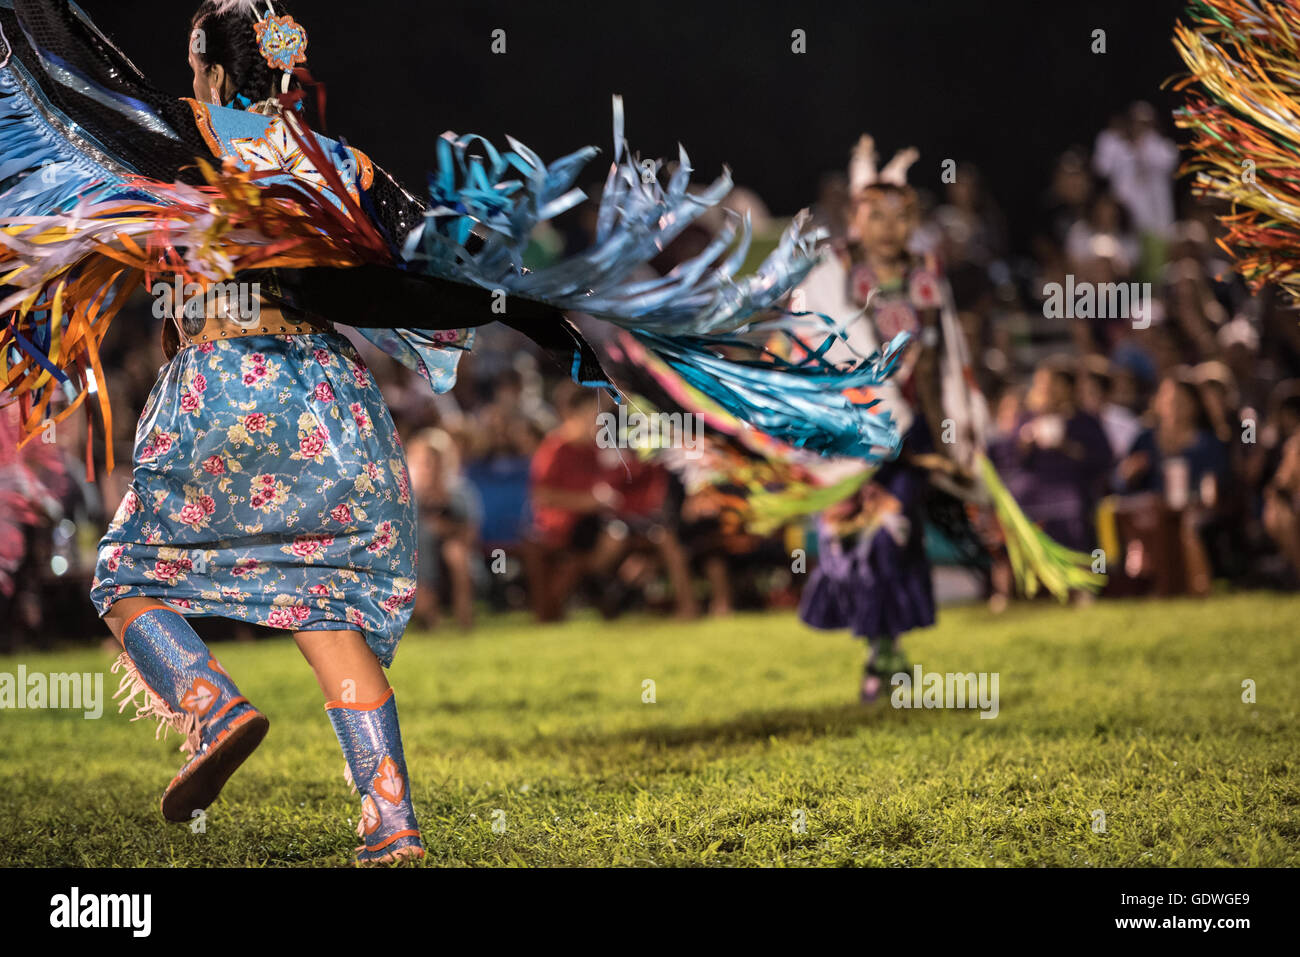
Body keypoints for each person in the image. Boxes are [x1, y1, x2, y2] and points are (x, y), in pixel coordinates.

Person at [1, 0, 912, 863]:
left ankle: (210, 705)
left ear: (204, 66)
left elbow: (80, 79)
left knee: (124, 574)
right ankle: (390, 820)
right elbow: (437, 257)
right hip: (333, 404)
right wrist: (547, 306)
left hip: (222, 390)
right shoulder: (340, 164)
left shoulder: (184, 136)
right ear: (282, 67)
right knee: (327, 604)